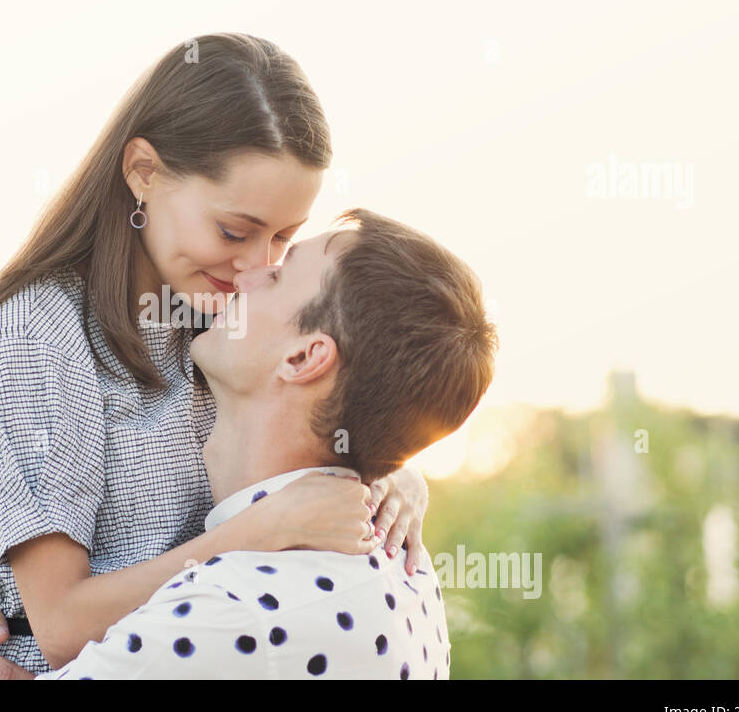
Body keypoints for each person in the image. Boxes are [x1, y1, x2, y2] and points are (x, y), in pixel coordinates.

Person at [0, 34, 429, 679]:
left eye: (283, 238)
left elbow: (313, 419)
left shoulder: (215, 319)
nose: (257, 267)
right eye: (234, 231)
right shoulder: (40, 338)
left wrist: (388, 473)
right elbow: (59, 626)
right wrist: (252, 535)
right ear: (143, 172)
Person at [34, 210, 496, 679]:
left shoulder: (231, 611)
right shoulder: (409, 573)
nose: (247, 275)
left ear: (302, 357)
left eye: (277, 276)